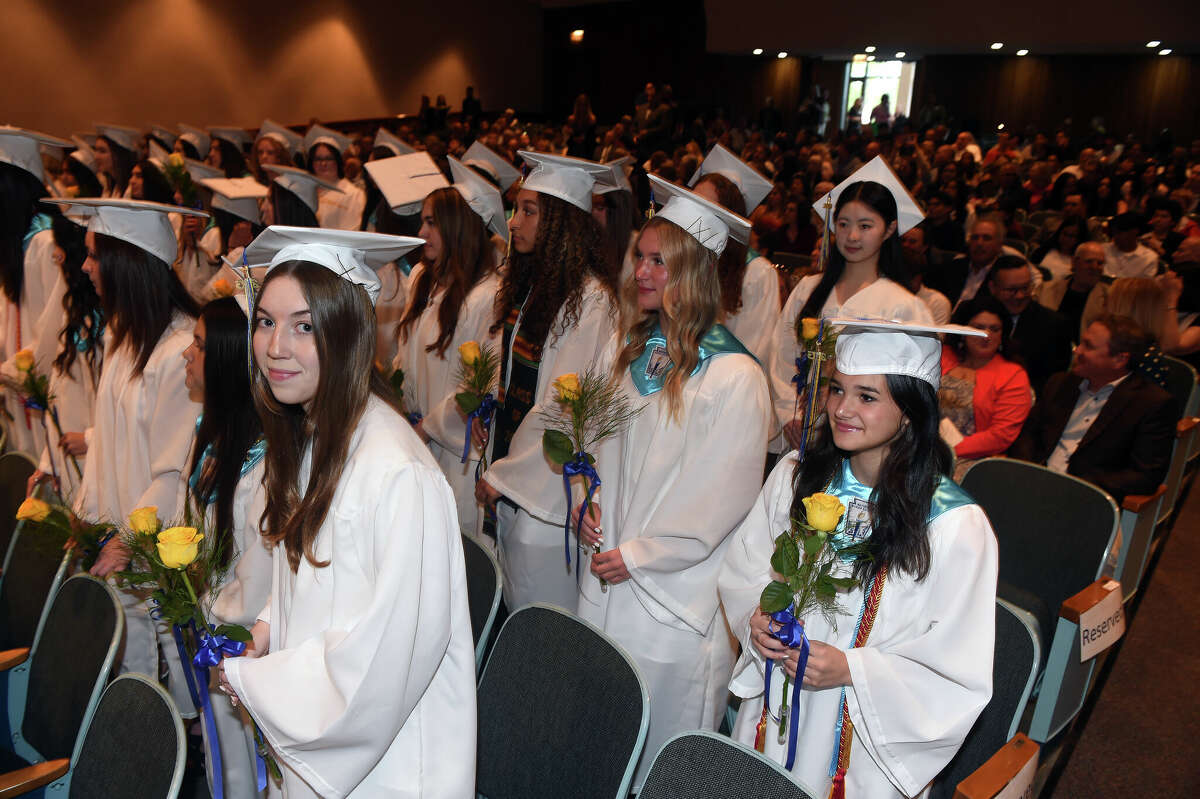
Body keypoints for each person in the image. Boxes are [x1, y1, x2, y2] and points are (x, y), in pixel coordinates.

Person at [218, 226, 476, 798]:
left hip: (385, 765)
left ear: (347, 332)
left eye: (304, 326)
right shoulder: (316, 432)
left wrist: (259, 683)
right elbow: (317, 588)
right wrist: (265, 630)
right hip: (327, 746)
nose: (276, 346)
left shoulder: (397, 472)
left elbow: (383, 660)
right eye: (266, 321)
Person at [720, 317, 998, 797]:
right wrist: (756, 617)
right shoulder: (796, 475)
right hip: (775, 707)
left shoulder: (953, 525)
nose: (842, 409)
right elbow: (747, 563)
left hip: (862, 748)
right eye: (836, 389)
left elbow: (956, 668)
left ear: (910, 411)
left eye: (867, 397)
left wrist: (852, 669)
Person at [573, 177, 770, 791]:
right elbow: (601, 446)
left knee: (661, 758)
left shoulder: (736, 376)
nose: (643, 271)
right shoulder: (637, 352)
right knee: (600, 738)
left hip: (671, 596)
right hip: (607, 577)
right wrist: (589, 503)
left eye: (660, 260)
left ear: (693, 271)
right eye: (641, 257)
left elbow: (718, 498)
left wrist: (638, 555)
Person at [44, 197, 205, 705]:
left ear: (126, 262)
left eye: (95, 255)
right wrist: (88, 516)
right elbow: (112, 437)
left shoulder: (177, 349)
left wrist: (130, 540)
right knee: (133, 676)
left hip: (153, 551)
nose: (85, 266)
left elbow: (173, 471)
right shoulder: (124, 333)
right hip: (121, 545)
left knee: (172, 684)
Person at [475, 151, 619, 611]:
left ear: (561, 221)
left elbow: (563, 404)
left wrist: (502, 474)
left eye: (529, 211)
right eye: (517, 208)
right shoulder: (537, 287)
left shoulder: (590, 300)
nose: (513, 222)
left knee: (541, 620)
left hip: (546, 497)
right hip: (517, 483)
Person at [769, 156, 931, 453]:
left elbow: (909, 394)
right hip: (798, 432)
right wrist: (788, 416)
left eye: (866, 225)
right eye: (843, 224)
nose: (852, 236)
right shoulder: (809, 289)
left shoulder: (905, 306)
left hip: (862, 441)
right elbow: (781, 358)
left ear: (889, 228)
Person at [181, 296, 272, 799]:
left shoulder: (262, 464)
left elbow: (256, 578)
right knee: (222, 765)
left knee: (244, 772)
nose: (186, 356)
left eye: (198, 345)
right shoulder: (211, 436)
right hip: (212, 629)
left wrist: (222, 632)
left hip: (237, 645)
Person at [393, 162, 504, 539]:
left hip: (454, 453)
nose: (421, 231)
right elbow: (405, 356)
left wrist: (429, 427)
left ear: (458, 228)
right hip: (416, 439)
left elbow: (481, 381)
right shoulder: (423, 279)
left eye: (431, 222)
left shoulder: (487, 295)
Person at [1010, 314, 1177, 502]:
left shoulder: (1151, 403)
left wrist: (1076, 484)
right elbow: (1028, 435)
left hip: (1087, 499)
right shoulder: (1060, 383)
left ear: (1119, 360)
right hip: (1032, 483)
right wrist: (1027, 471)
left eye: (1088, 346)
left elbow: (1146, 476)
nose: (1077, 350)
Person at [0, 127, 73, 458]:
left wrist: (14, 371)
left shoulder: (45, 243)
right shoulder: (15, 242)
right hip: (15, 384)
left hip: (43, 389)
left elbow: (53, 328)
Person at [25, 212, 103, 501]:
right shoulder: (76, 312)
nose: (56, 256)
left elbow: (110, 407)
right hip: (71, 460)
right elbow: (61, 391)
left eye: (61, 246)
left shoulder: (108, 325)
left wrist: (91, 439)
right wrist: (49, 463)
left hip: (94, 463)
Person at [689, 145, 778, 366]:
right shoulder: (684, 260)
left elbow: (753, 350)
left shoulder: (757, 273)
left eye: (708, 207)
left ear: (732, 216)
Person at [939, 295, 1033, 479]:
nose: (986, 335)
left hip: (973, 461)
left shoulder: (1012, 375)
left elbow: (1000, 436)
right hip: (919, 445)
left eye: (994, 329)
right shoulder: (942, 356)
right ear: (963, 331)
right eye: (978, 328)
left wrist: (945, 449)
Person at [988, 256, 1073, 393]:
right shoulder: (973, 314)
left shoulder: (1055, 325)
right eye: (1011, 290)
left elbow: (1052, 382)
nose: (1020, 296)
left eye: (1025, 288)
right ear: (993, 288)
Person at [1039, 241, 1109, 342]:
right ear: (1074, 262)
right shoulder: (1046, 289)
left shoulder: (1109, 297)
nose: (1095, 267)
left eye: (1100, 263)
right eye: (1089, 261)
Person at [304, 125, 366, 230]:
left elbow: (352, 232)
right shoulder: (305, 190)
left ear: (338, 161)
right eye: (318, 159)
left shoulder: (352, 194)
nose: (323, 164)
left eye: (329, 158)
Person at [1035, 215, 1090, 284]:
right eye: (1064, 234)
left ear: (1079, 239)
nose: (1066, 239)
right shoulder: (1044, 251)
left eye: (1071, 236)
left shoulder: (1081, 262)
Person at [1103, 212, 1159, 279]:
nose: (1115, 237)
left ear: (1134, 231)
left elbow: (1144, 286)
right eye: (1114, 233)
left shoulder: (1149, 258)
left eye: (1119, 233)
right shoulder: (1103, 250)